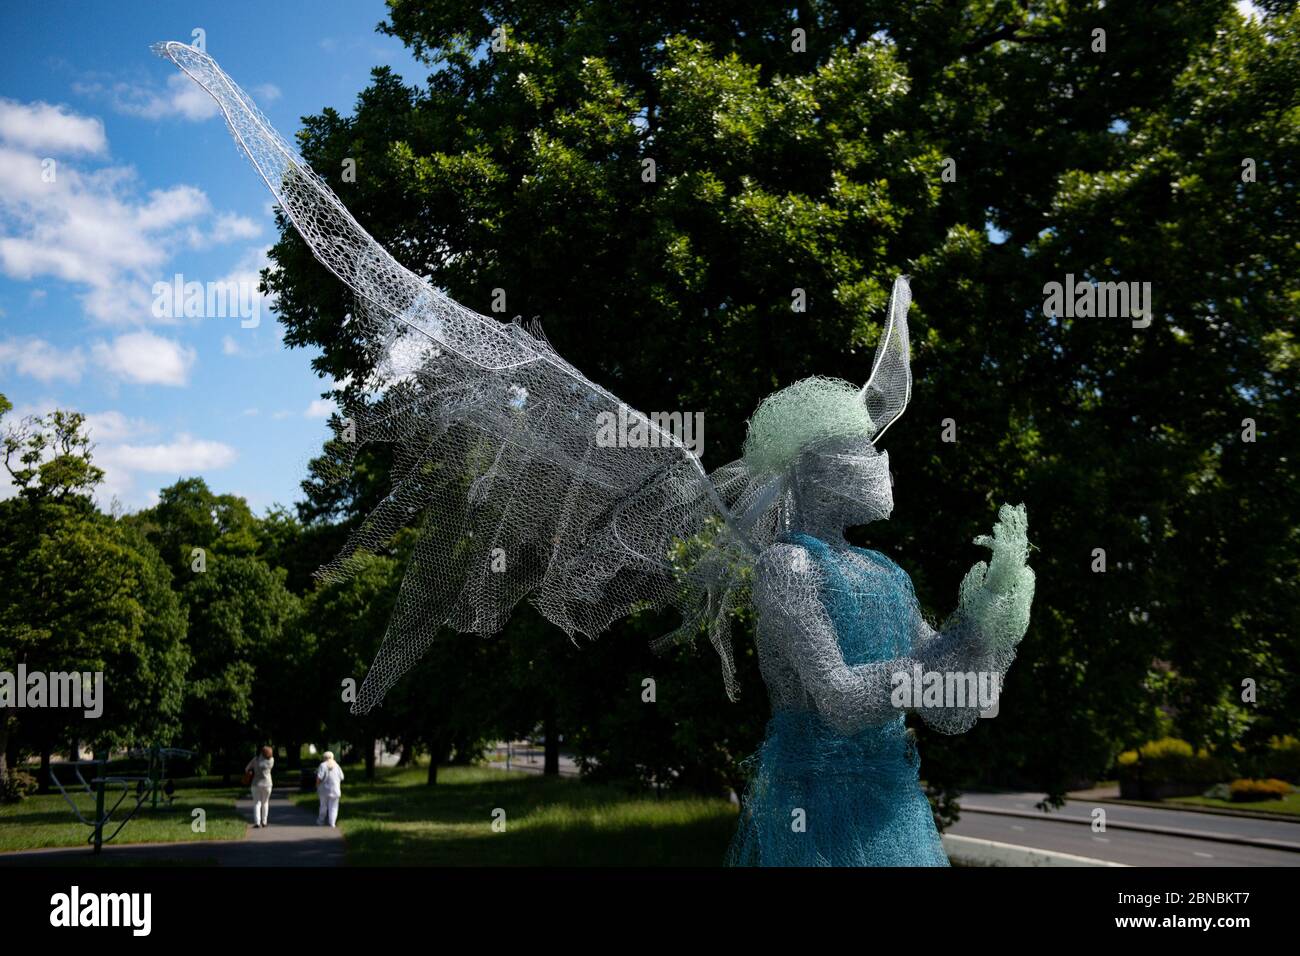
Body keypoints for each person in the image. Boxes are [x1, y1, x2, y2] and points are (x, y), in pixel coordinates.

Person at [245, 746, 274, 828]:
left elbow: (246, 769)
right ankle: (264, 822)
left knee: (257, 803)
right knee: (265, 802)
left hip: (256, 784)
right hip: (268, 784)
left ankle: (257, 822)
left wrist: (251, 770)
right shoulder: (271, 760)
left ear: (261, 752)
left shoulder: (255, 760)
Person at [315, 751, 344, 827]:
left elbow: (319, 778)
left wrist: (317, 786)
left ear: (324, 758)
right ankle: (332, 823)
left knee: (323, 806)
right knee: (334, 807)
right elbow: (342, 777)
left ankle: (321, 821)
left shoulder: (323, 765)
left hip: (324, 790)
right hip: (335, 790)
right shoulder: (337, 766)